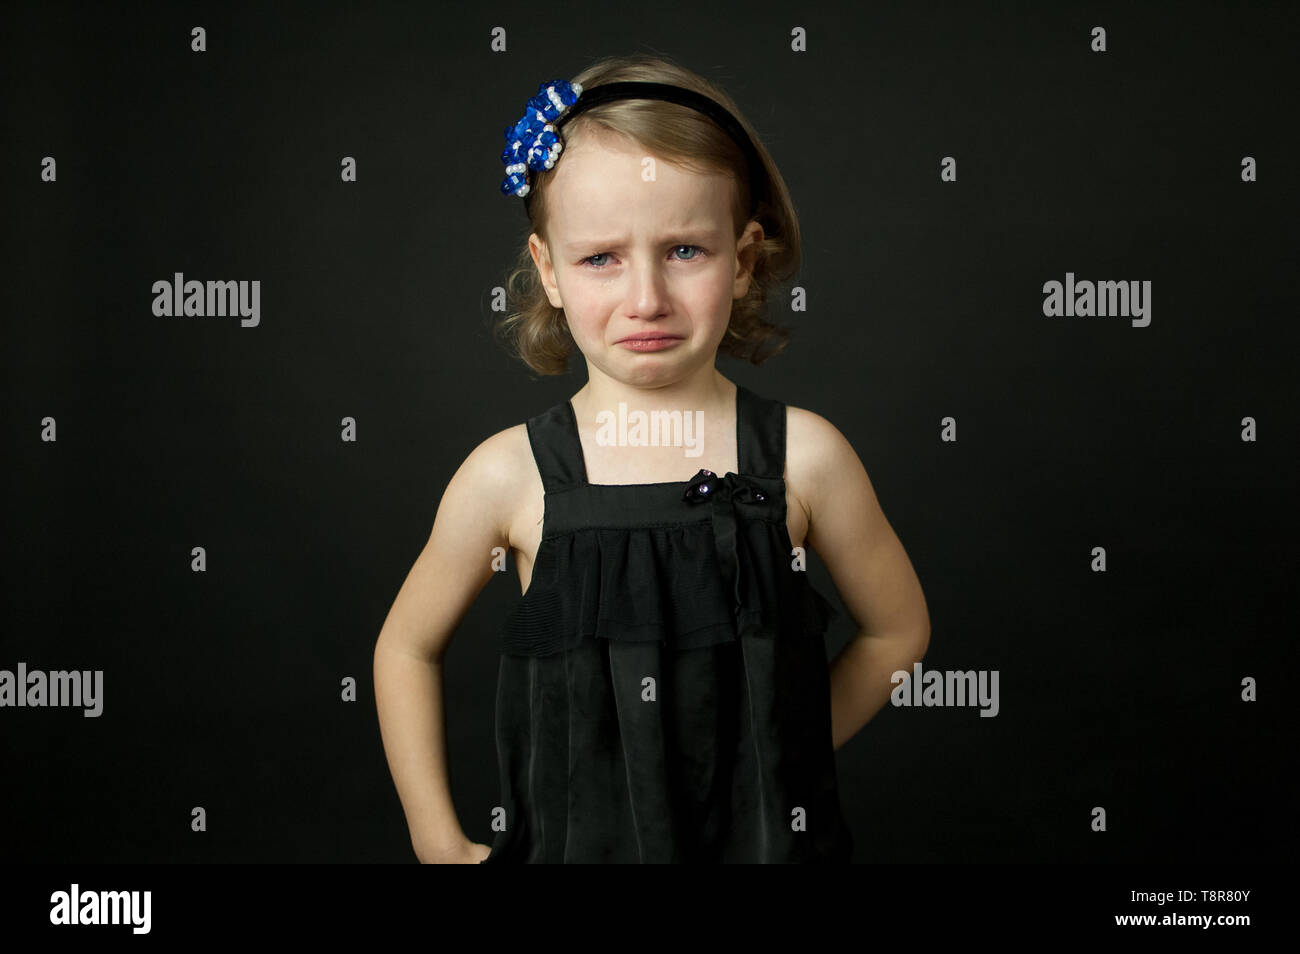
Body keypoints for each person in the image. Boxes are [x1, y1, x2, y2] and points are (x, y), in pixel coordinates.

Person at [374, 52, 930, 863]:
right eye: (601, 257)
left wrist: (778, 757)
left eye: (684, 252)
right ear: (549, 271)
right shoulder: (508, 476)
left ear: (742, 261)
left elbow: (898, 631)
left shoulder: (804, 458)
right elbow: (404, 647)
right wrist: (437, 842)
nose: (646, 299)